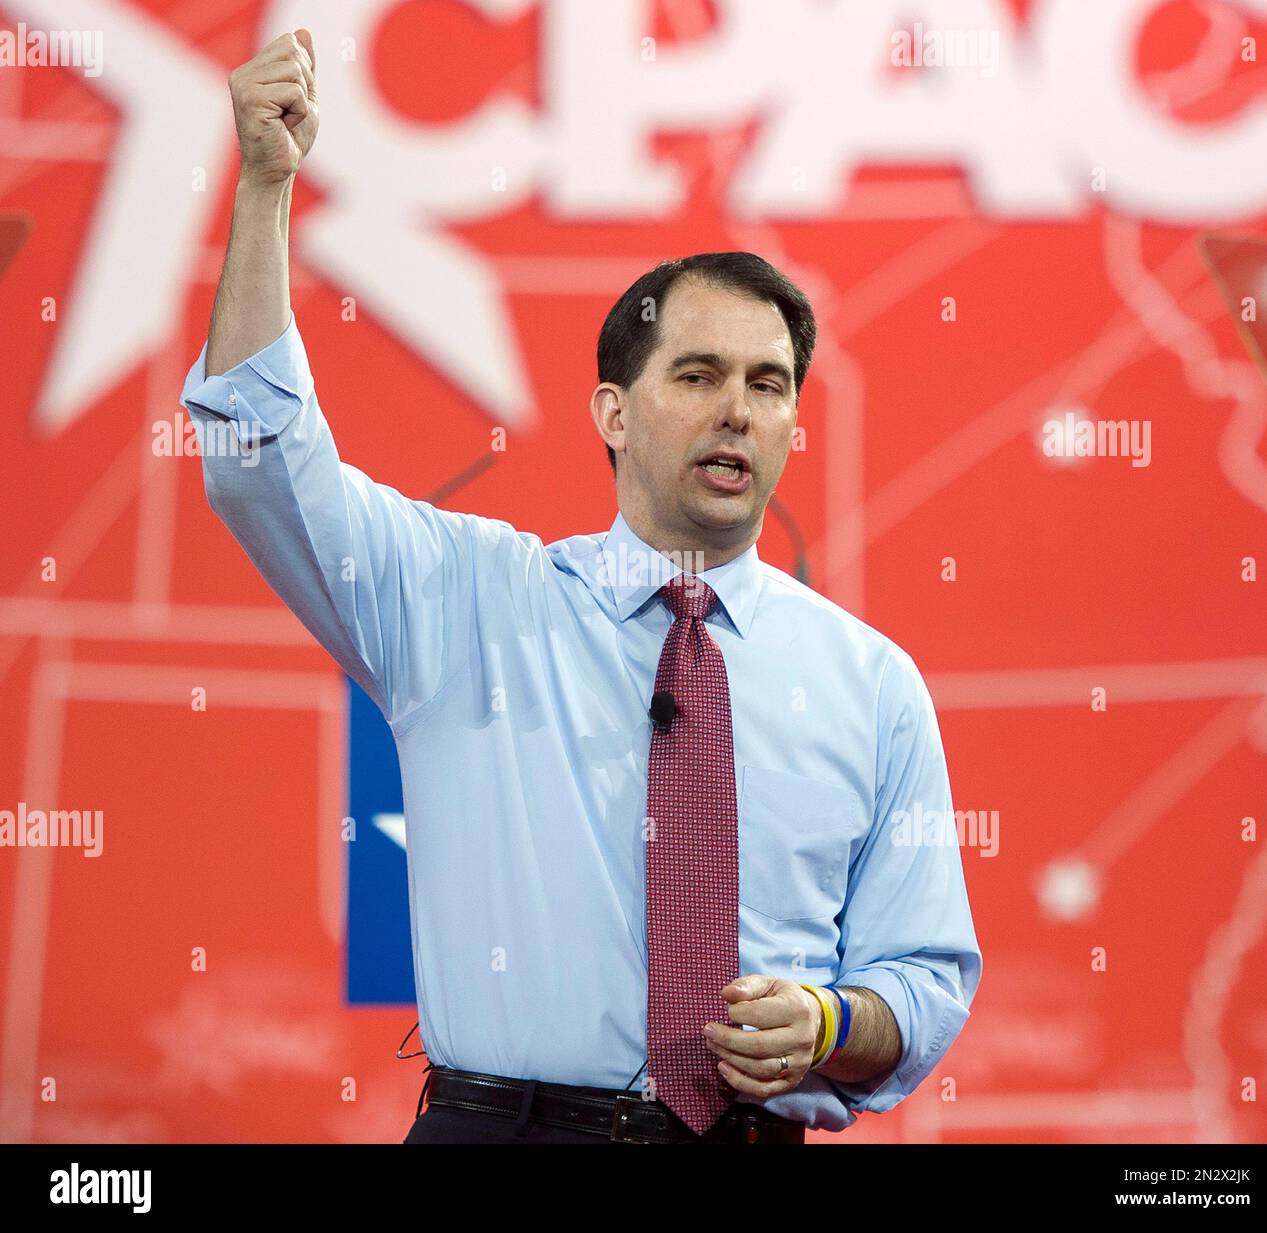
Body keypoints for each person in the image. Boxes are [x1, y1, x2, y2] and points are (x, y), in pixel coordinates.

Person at [180, 28, 982, 1145]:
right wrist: (265, 192)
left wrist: (830, 1018)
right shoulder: (469, 605)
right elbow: (259, 463)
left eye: (768, 385)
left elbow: (924, 979)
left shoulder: (870, 683)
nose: (736, 411)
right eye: (696, 376)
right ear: (613, 413)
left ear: (796, 422)